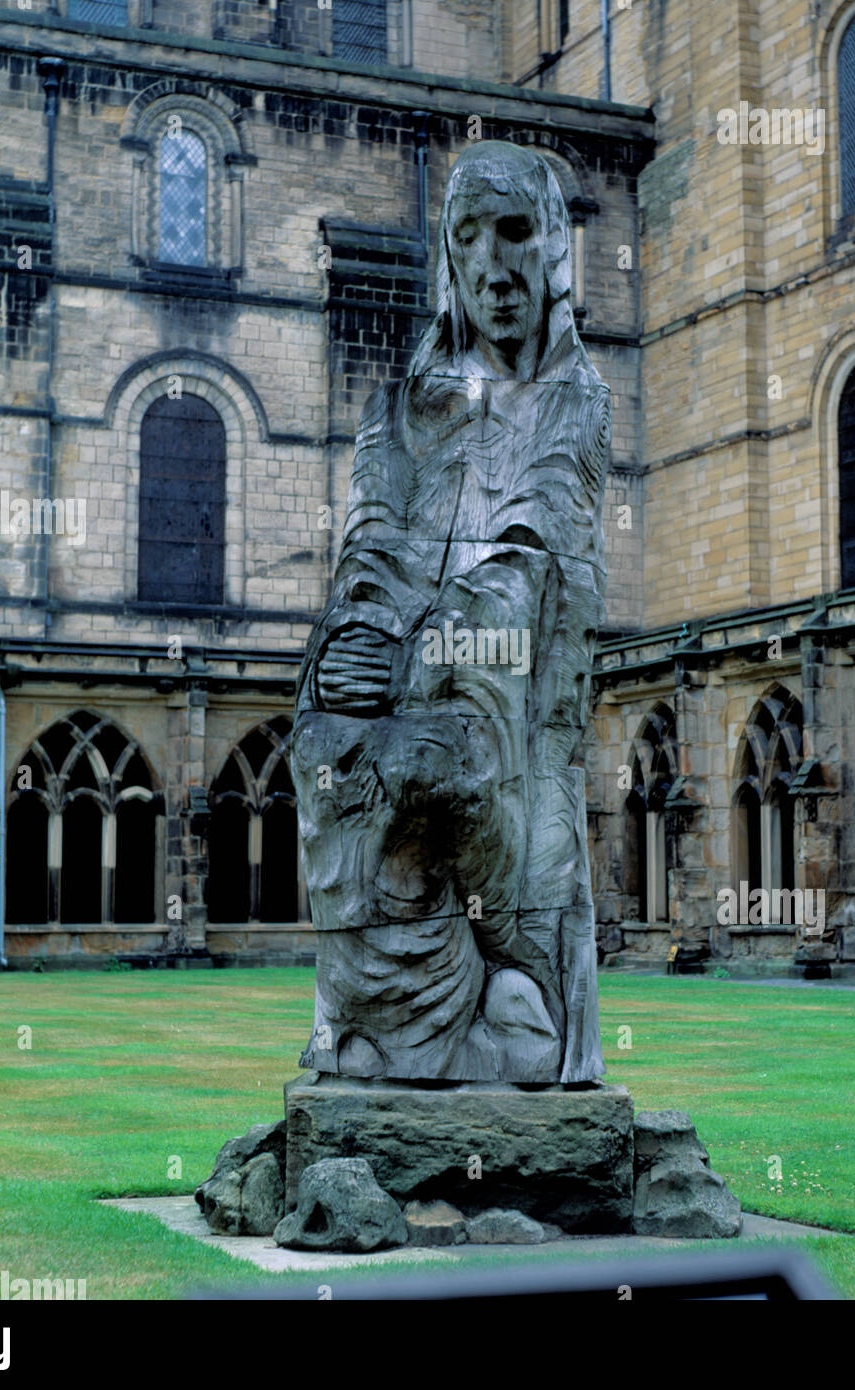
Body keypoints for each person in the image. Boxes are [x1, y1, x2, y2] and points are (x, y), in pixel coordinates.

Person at [291, 142, 610, 1083]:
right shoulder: (395, 411)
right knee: (328, 743)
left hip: (507, 685)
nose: (491, 265)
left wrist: (423, 658)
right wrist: (353, 643)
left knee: (442, 761)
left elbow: (532, 549)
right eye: (466, 238)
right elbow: (370, 548)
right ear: (446, 256)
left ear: (553, 248)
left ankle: (504, 1013)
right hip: (407, 666)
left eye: (514, 233)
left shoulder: (574, 401)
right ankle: (390, 1017)